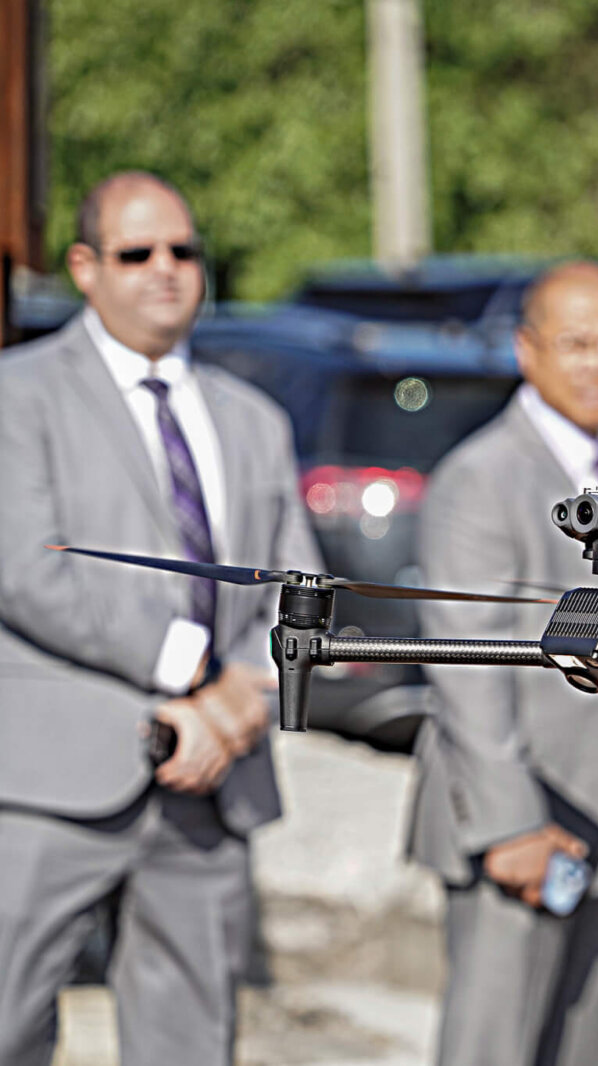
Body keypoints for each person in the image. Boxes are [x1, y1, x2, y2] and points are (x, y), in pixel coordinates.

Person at [0, 171, 321, 1065]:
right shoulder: (16, 396)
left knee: (193, 1044)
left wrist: (248, 696)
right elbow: (27, 569)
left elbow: (297, 591)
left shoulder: (251, 419)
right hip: (52, 783)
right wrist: (197, 675)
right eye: (137, 252)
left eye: (184, 251)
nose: (166, 270)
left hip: (212, 781)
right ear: (84, 267)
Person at [407, 260, 598, 1066]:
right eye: (576, 342)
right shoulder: (483, 477)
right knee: (493, 1050)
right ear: (527, 349)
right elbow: (462, 664)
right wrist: (511, 823)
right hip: (522, 823)